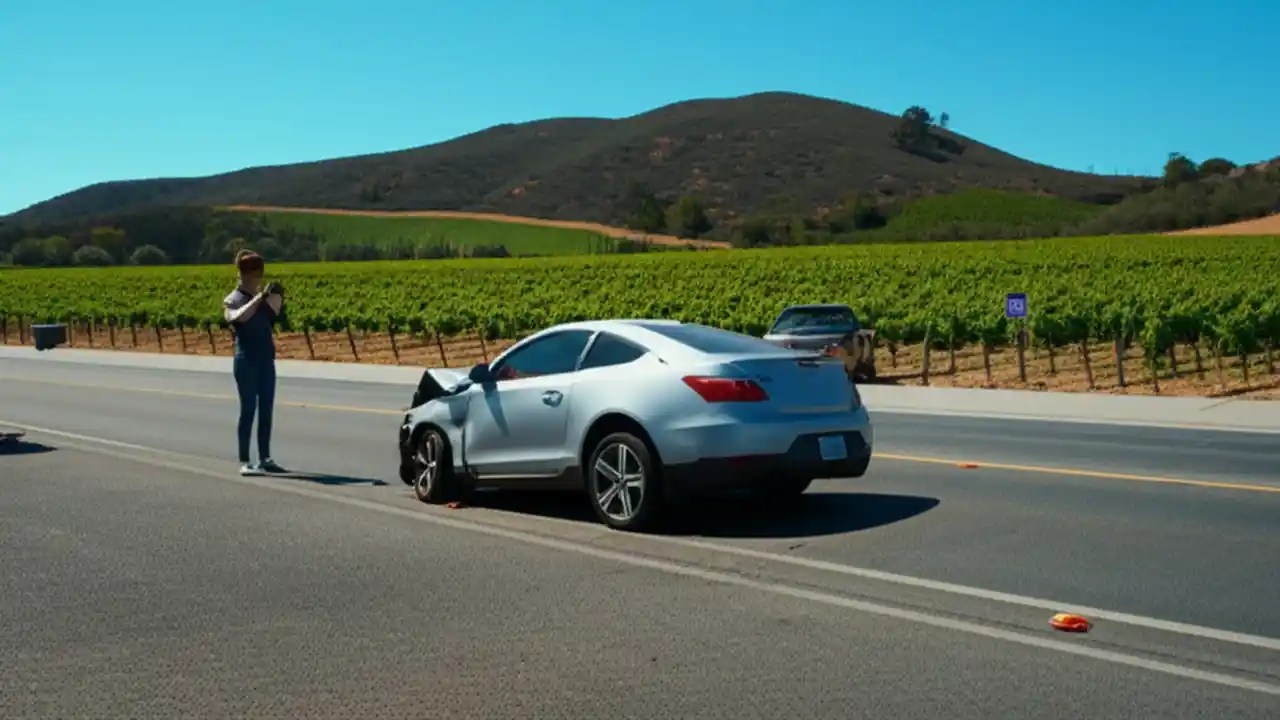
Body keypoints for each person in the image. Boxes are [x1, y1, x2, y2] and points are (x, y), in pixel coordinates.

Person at [223, 250, 286, 476]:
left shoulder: (262, 299)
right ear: (241, 274)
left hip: (265, 359)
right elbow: (237, 317)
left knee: (267, 409)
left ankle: (265, 457)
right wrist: (258, 299)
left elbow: (274, 314)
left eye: (258, 273)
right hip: (245, 360)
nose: (255, 278)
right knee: (249, 408)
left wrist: (275, 297)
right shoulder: (234, 299)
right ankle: (245, 459)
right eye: (251, 273)